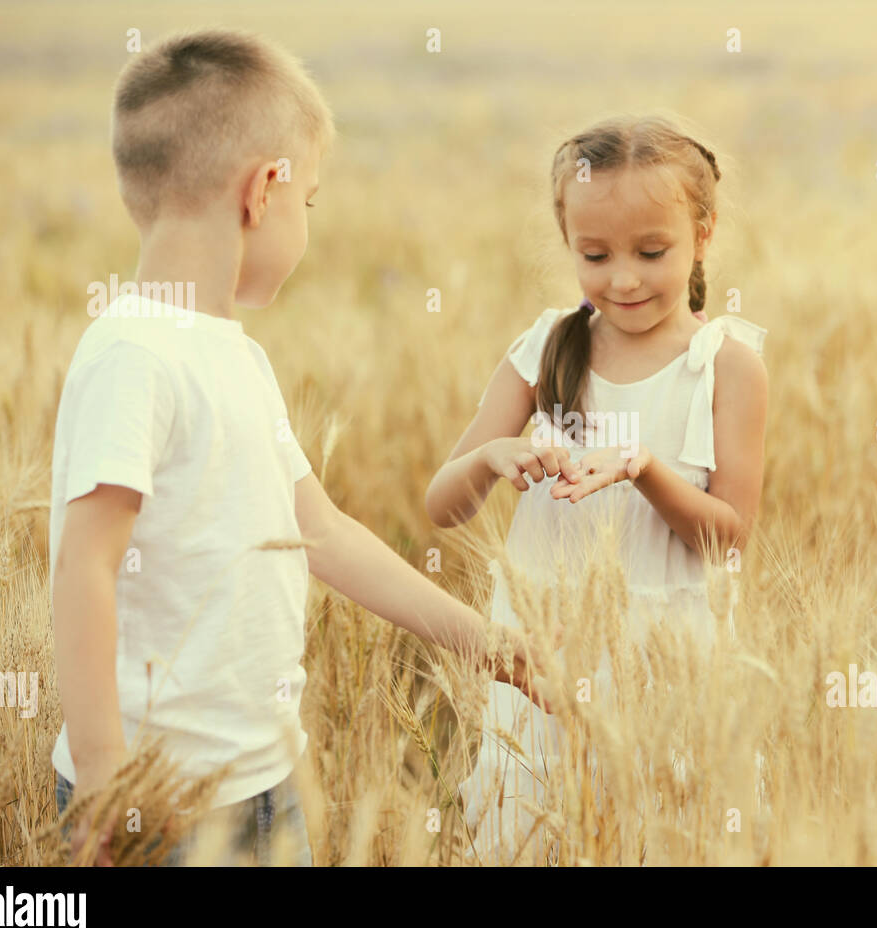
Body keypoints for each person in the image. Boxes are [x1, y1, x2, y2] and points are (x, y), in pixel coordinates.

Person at [50, 28, 540, 867]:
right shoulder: (136, 354)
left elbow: (322, 531)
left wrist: (483, 641)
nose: (307, 223)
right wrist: (105, 777)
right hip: (158, 796)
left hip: (269, 779)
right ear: (264, 189)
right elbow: (84, 563)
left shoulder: (236, 355)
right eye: (308, 200)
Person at [425, 114, 768, 863]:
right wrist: (491, 460)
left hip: (666, 661)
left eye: (652, 252)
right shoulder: (546, 349)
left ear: (703, 235)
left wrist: (645, 471)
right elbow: (440, 507)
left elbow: (729, 538)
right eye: (594, 254)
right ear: (566, 239)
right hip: (545, 657)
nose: (622, 278)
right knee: (541, 830)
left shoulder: (725, 365)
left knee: (663, 831)